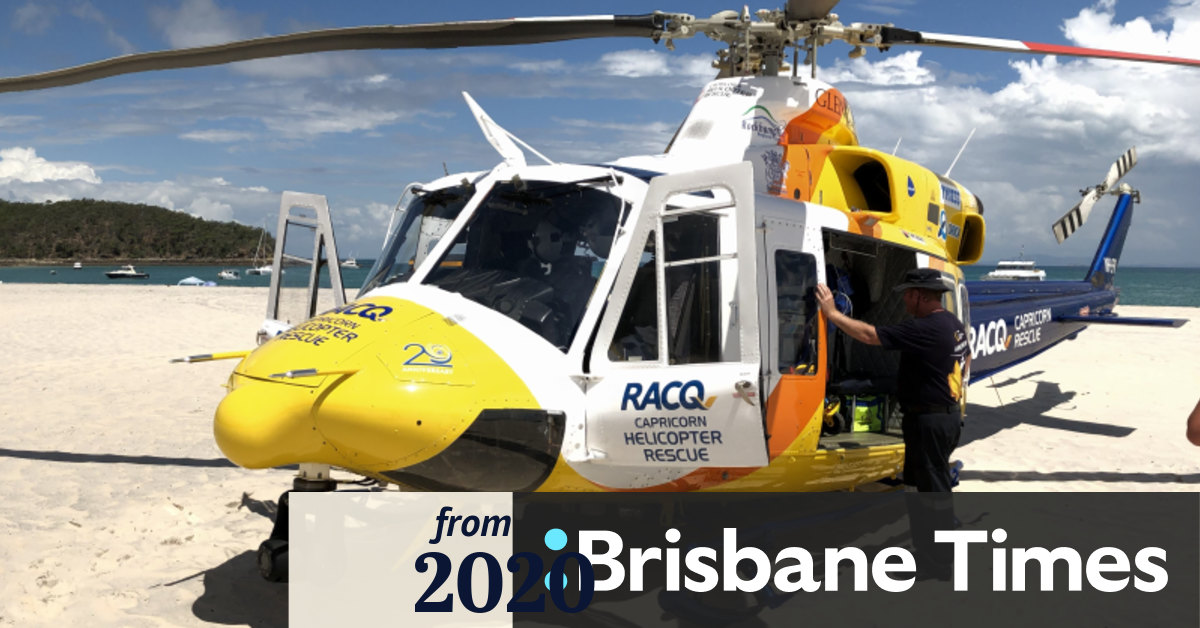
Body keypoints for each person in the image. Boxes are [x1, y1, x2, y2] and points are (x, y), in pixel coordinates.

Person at [815, 267, 970, 492]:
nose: (904, 299)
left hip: (930, 422)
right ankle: (923, 526)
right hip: (947, 416)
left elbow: (869, 335)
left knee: (934, 488)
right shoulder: (952, 323)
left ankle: (939, 527)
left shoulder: (923, 328)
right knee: (917, 483)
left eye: (907, 293)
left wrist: (833, 314)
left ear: (919, 295)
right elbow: (967, 356)